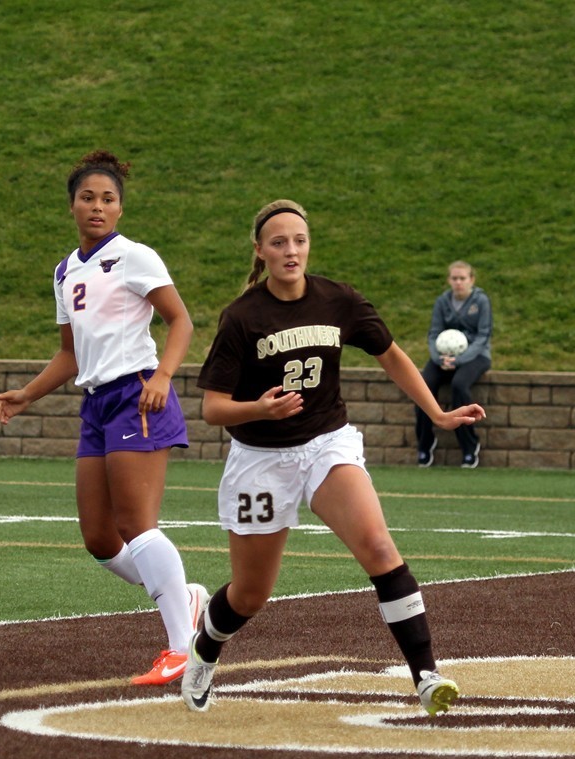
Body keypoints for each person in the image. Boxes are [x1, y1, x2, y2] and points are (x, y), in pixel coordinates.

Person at [180, 199, 486, 716]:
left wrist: (437, 412)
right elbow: (212, 409)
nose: (291, 250)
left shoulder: (338, 300)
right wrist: (261, 408)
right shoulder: (242, 317)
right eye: (278, 242)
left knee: (379, 546)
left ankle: (427, 677)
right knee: (250, 596)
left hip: (327, 443)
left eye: (298, 240)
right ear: (260, 251)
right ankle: (205, 647)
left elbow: (390, 353)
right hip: (261, 458)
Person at [0, 150, 207, 686]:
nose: (97, 206)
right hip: (96, 406)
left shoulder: (135, 256)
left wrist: (161, 378)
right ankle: (185, 597)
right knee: (99, 539)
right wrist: (27, 394)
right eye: (87, 197)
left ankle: (183, 647)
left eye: (108, 199)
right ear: (71, 205)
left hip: (139, 396)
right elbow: (70, 354)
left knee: (137, 525)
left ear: (119, 209)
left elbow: (181, 322)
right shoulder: (65, 271)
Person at [416, 261, 493, 468]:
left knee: (459, 385)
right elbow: (433, 333)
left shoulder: (481, 301)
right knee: (423, 385)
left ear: (471, 280)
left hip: (476, 357)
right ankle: (425, 444)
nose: (458, 282)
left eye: (463, 278)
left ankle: (469, 447)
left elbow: (483, 336)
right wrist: (437, 358)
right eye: (455, 278)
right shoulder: (442, 302)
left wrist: (460, 360)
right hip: (443, 358)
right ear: (449, 280)